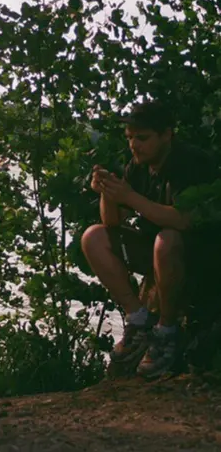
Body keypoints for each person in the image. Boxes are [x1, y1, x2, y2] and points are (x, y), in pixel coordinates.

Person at [81, 101, 219, 378]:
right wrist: (108, 193)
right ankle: (139, 320)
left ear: (166, 134)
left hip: (199, 258)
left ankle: (167, 332)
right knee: (93, 236)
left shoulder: (190, 162)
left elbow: (183, 220)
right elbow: (112, 222)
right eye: (130, 138)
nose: (134, 145)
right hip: (159, 254)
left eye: (142, 138)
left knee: (167, 239)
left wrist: (129, 196)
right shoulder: (138, 166)